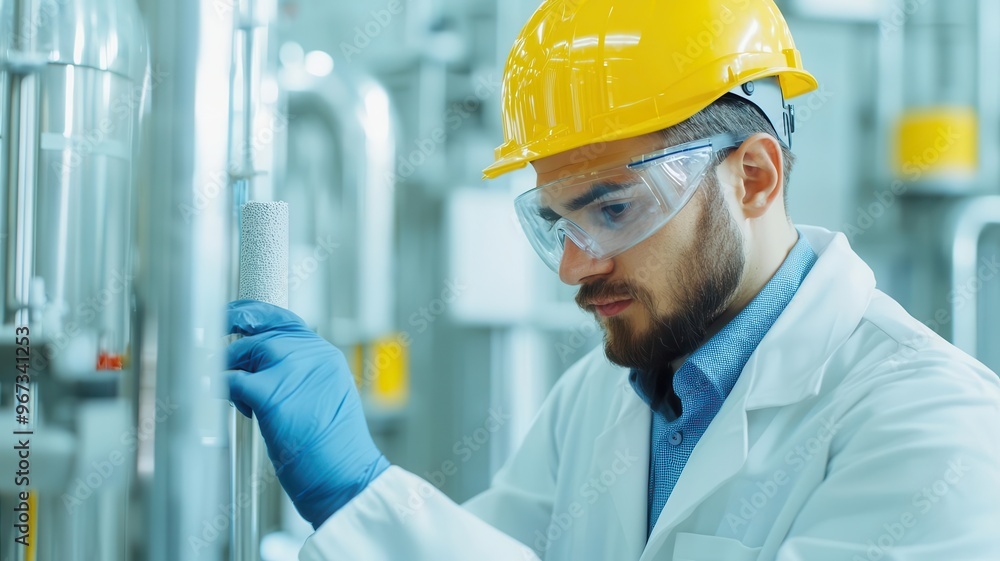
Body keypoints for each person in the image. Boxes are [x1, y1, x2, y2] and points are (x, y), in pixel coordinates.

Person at [226, 1, 1000, 559]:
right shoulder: (599, 398)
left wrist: (366, 494)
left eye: (616, 206)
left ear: (754, 177)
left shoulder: (934, 427)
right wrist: (367, 508)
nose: (574, 263)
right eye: (558, 221)